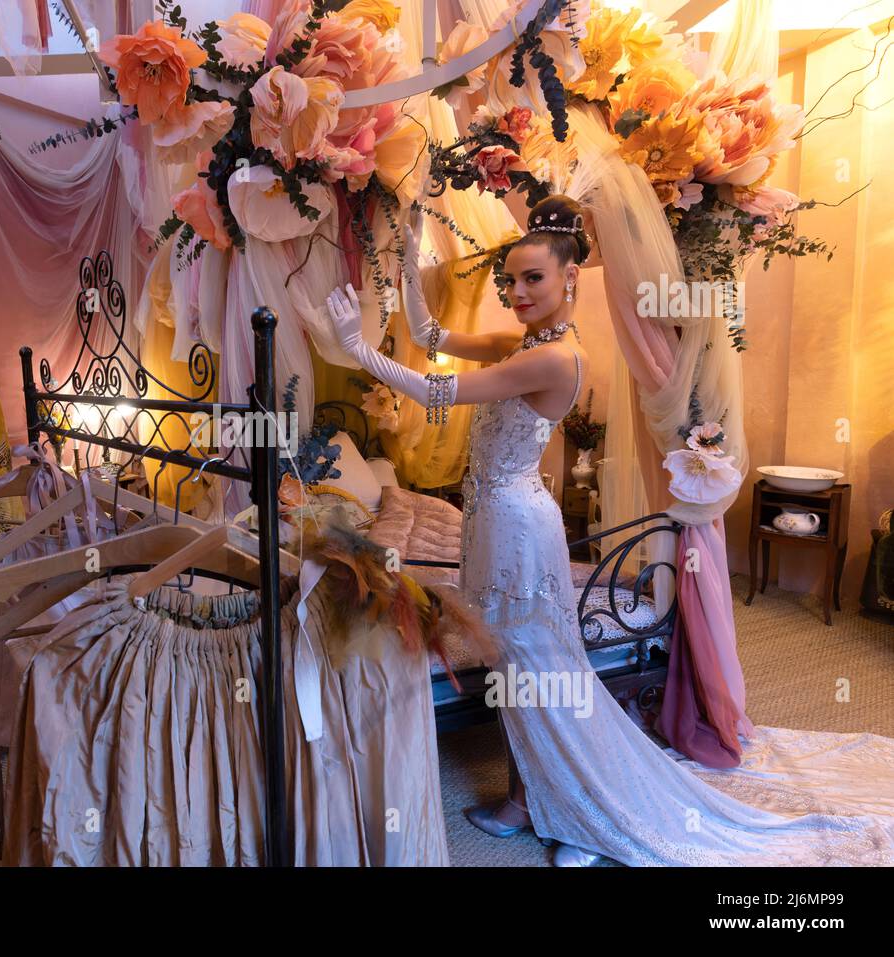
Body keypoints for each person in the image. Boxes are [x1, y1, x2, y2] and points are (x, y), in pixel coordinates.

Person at [326, 193, 894, 866]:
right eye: (509, 279)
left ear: (569, 277)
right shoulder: (528, 341)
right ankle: (530, 794)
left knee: (534, 668)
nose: (516, 291)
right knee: (516, 665)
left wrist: (356, 347)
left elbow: (437, 390)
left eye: (532, 277)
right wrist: (406, 262)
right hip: (488, 519)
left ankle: (564, 801)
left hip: (516, 526)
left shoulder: (556, 359)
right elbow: (432, 339)